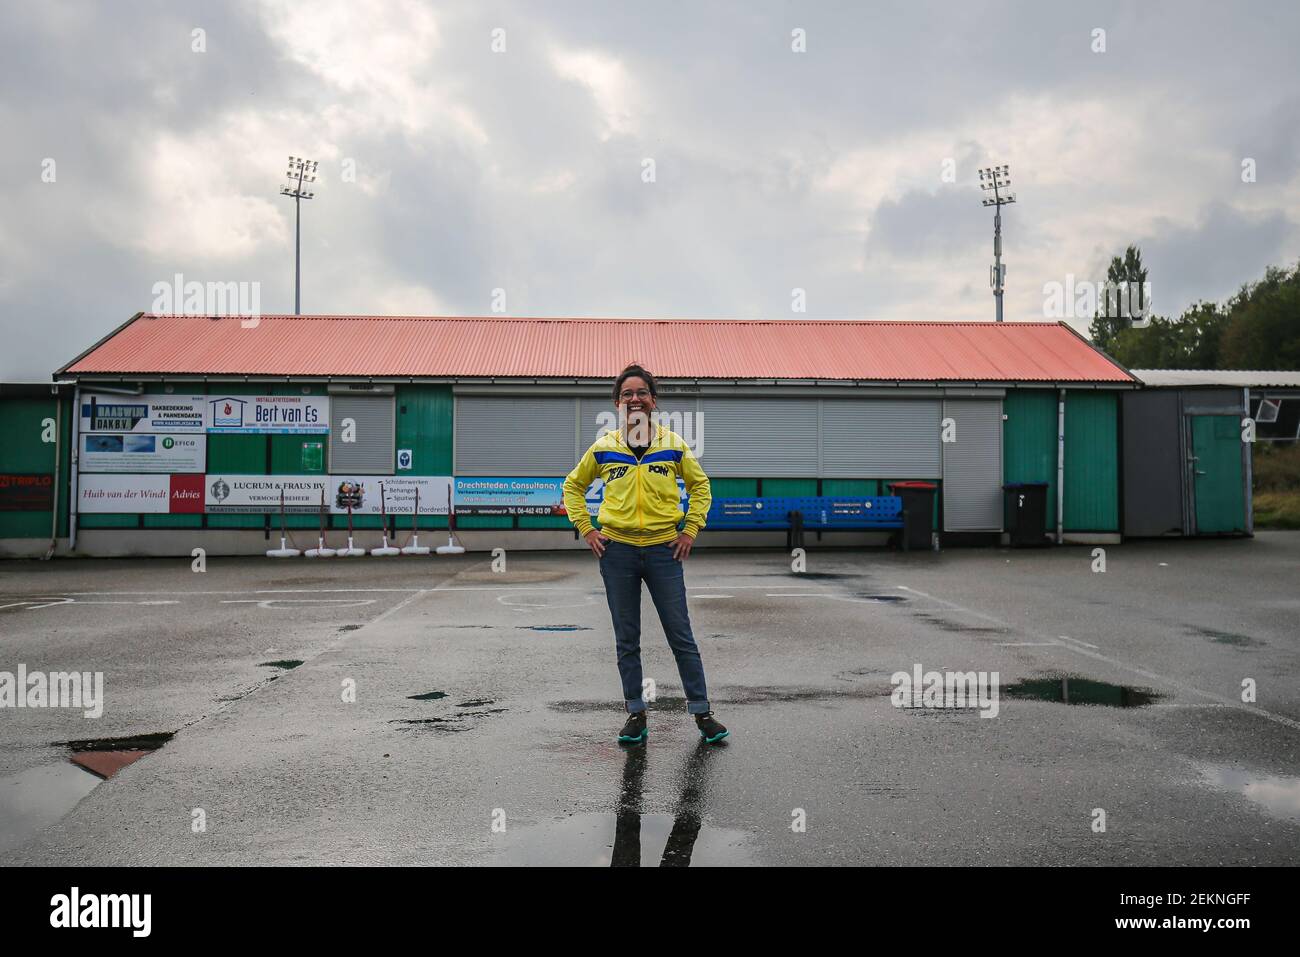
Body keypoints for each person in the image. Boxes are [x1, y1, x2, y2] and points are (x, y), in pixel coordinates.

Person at [562, 364, 729, 745]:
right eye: (627, 394)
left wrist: (690, 529)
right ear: (617, 403)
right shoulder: (604, 448)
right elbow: (573, 486)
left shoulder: (672, 444)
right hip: (617, 552)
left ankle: (703, 715)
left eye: (641, 393)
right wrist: (587, 529)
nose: (634, 399)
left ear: (653, 400)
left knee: (680, 635)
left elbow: (701, 486)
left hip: (662, 551)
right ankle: (636, 715)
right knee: (627, 639)